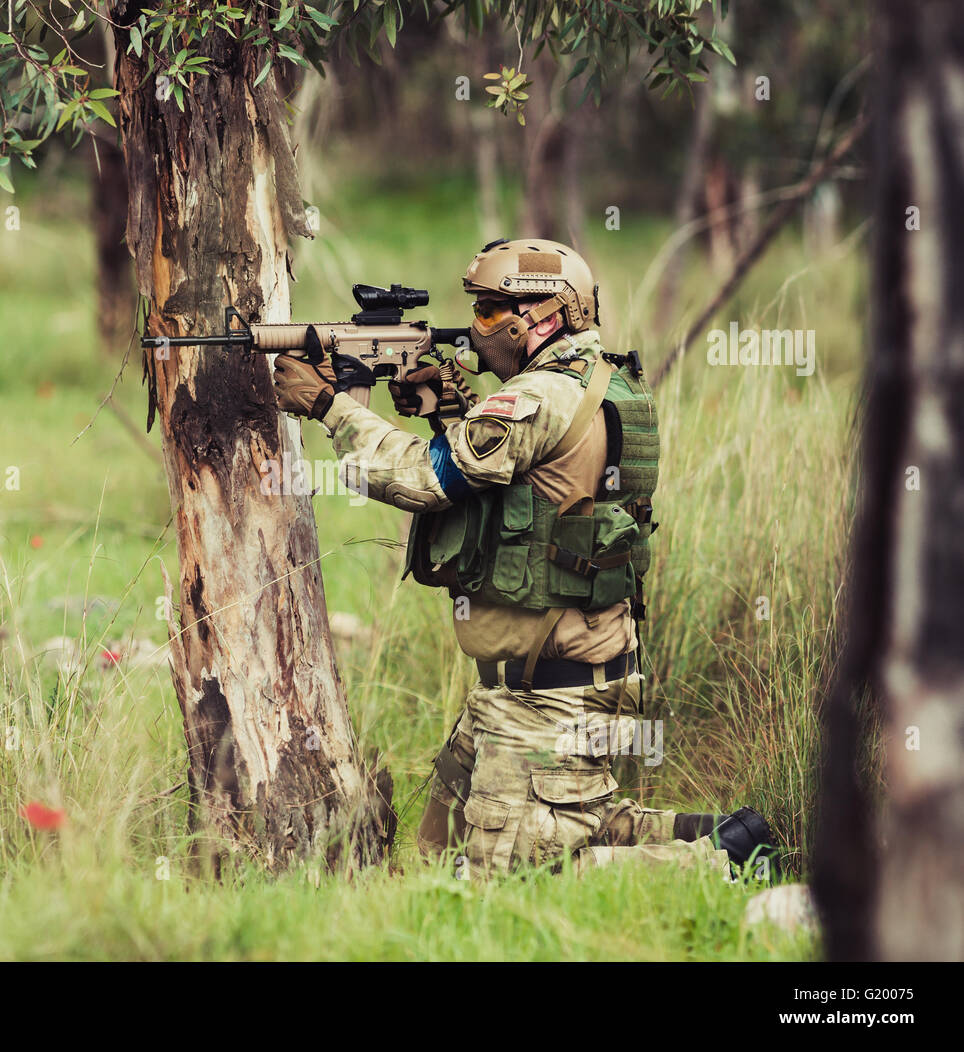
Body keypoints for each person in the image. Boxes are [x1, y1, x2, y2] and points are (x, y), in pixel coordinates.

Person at [273, 237, 777, 877]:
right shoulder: (598, 377)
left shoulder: (540, 397)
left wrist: (327, 405)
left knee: (513, 882)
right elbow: (520, 489)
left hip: (550, 694)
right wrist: (452, 411)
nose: (477, 327)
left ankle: (721, 866)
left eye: (489, 310)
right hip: (542, 682)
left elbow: (426, 480)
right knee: (446, 855)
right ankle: (742, 834)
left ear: (540, 316)